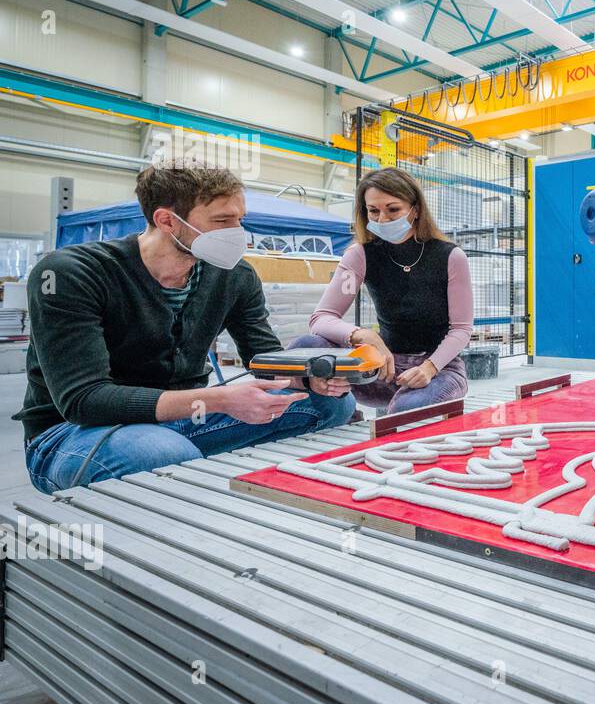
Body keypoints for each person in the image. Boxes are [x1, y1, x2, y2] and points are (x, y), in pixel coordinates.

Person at [17, 163, 357, 494]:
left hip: (184, 422)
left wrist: (307, 378)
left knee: (331, 405)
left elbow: (263, 359)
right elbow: (85, 401)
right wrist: (220, 400)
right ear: (167, 220)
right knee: (162, 454)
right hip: (77, 432)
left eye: (239, 220)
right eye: (222, 221)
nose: (236, 233)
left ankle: (181, 466)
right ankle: (179, 468)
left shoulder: (234, 277)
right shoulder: (72, 274)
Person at [289, 167, 472, 413]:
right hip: (382, 366)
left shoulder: (450, 256)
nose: (382, 219)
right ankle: (335, 412)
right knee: (305, 346)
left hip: (439, 370)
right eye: (373, 211)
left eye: (393, 209)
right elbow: (321, 318)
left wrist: (429, 368)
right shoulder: (359, 255)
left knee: (407, 409)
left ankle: (399, 410)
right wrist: (364, 336)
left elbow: (461, 329)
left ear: (415, 209)